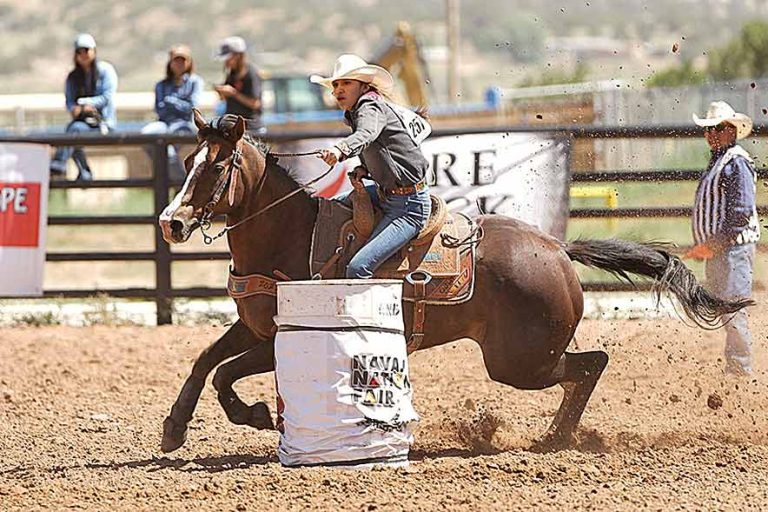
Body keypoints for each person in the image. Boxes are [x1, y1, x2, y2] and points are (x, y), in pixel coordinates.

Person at [312, 54, 432, 279]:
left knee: (358, 268)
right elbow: (381, 148)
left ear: (364, 86)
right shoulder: (358, 111)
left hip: (408, 207)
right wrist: (364, 169)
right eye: (336, 84)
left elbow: (367, 134)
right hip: (387, 195)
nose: (339, 89)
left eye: (347, 83)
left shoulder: (369, 105)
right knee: (330, 207)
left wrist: (341, 150)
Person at [686, 100, 760, 375]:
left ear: (731, 130)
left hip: (731, 250)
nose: (711, 134)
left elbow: (739, 214)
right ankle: (737, 364)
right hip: (723, 250)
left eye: (717, 128)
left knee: (731, 307)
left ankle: (740, 368)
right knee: (725, 306)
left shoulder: (736, 162)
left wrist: (711, 244)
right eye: (708, 130)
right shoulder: (722, 160)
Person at [49, 33, 118, 181]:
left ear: (94, 51)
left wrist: (86, 104)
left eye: (86, 50)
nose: (83, 55)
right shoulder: (73, 77)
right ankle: (84, 173)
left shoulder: (105, 71)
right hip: (82, 123)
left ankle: (60, 165)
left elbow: (107, 97)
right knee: (73, 131)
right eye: (79, 52)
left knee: (73, 131)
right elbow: (69, 102)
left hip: (103, 123)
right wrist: (76, 109)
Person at [141, 45, 204, 180]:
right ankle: (178, 179)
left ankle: (176, 180)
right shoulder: (161, 85)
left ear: (189, 62)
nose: (179, 64)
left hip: (184, 124)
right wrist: (178, 104)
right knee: (146, 135)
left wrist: (172, 102)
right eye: (176, 60)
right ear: (170, 63)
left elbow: (192, 108)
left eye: (183, 60)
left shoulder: (195, 82)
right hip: (164, 123)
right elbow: (159, 109)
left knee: (168, 147)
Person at [213, 36, 263, 133]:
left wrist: (233, 93)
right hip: (232, 126)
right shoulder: (231, 74)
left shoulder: (251, 74)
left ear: (238, 56)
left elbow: (255, 103)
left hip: (251, 128)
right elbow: (224, 99)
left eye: (229, 57)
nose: (226, 61)